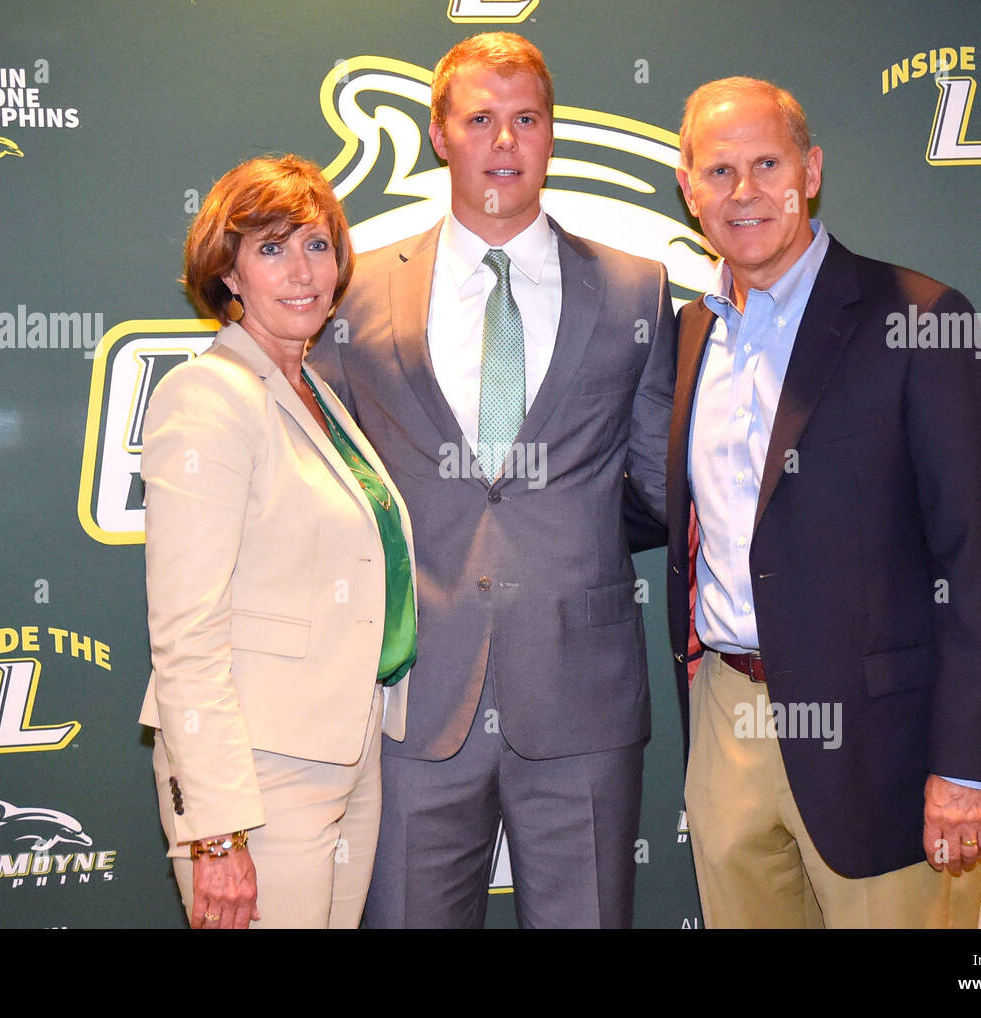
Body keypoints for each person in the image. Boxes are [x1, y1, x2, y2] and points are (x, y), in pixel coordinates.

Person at [307, 32, 674, 928]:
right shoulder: (353, 298)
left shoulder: (636, 290)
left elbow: (660, 486)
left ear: (551, 134)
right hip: (410, 701)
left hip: (579, 696)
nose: (503, 142)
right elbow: (330, 492)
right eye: (479, 120)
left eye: (524, 120)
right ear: (439, 135)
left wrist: (570, 539)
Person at [666, 77, 981, 928]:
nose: (742, 192)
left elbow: (977, 557)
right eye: (718, 170)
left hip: (881, 743)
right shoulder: (689, 332)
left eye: (765, 164)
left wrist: (968, 767)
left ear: (810, 170)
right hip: (727, 717)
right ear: (686, 187)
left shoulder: (921, 317)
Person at [138, 154, 416, 929]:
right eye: (271, 248)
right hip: (258, 780)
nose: (302, 272)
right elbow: (186, 635)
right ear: (228, 274)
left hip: (347, 752)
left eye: (317, 246)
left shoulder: (312, 390)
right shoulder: (207, 396)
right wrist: (217, 832)